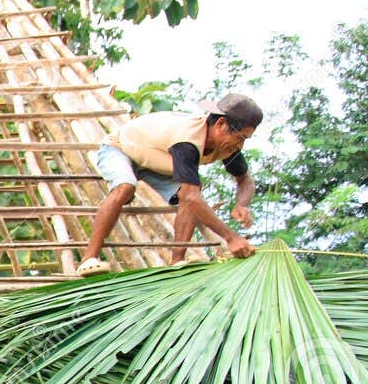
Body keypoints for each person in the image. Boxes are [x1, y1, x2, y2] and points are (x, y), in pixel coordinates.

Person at [76, 93, 262, 275]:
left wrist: (241, 205)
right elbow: (191, 198)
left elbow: (245, 180)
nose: (241, 146)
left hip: (155, 161)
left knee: (191, 190)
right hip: (121, 148)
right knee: (126, 186)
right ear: (221, 124)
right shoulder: (187, 140)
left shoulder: (228, 146)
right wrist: (231, 238)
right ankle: (89, 258)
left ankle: (177, 260)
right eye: (241, 137)